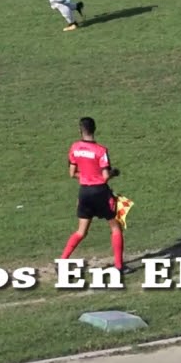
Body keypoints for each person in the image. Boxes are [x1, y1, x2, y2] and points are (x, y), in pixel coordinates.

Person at [60, 117, 133, 273]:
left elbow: (72, 173)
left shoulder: (75, 148)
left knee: (81, 232)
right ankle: (119, 266)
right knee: (116, 227)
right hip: (100, 192)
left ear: (80, 130)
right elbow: (105, 176)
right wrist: (114, 173)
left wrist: (87, 176)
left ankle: (62, 261)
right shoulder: (101, 150)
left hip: (84, 192)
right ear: (95, 129)